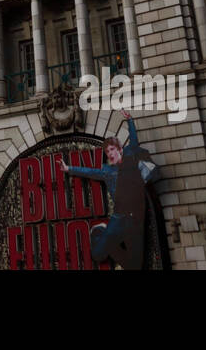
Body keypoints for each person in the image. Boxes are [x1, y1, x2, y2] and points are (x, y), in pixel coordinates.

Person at [54, 111, 156, 269]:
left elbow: (134, 141)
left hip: (135, 220)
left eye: (112, 150)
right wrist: (68, 169)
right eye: (107, 152)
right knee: (97, 253)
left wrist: (130, 120)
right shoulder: (108, 171)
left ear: (120, 149)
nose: (110, 154)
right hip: (118, 218)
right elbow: (89, 172)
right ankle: (100, 231)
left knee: (135, 266)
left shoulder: (130, 156)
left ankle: (107, 236)